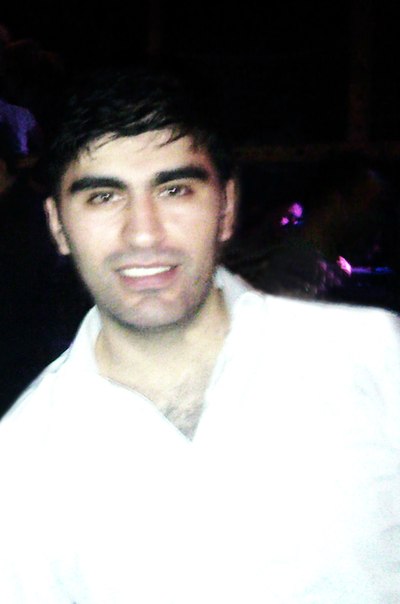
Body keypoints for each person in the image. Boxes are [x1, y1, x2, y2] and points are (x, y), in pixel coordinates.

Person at [0, 65, 400, 604]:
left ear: (226, 207)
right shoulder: (20, 464)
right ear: (57, 225)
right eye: (103, 197)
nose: (144, 233)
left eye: (175, 189)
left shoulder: (376, 359)